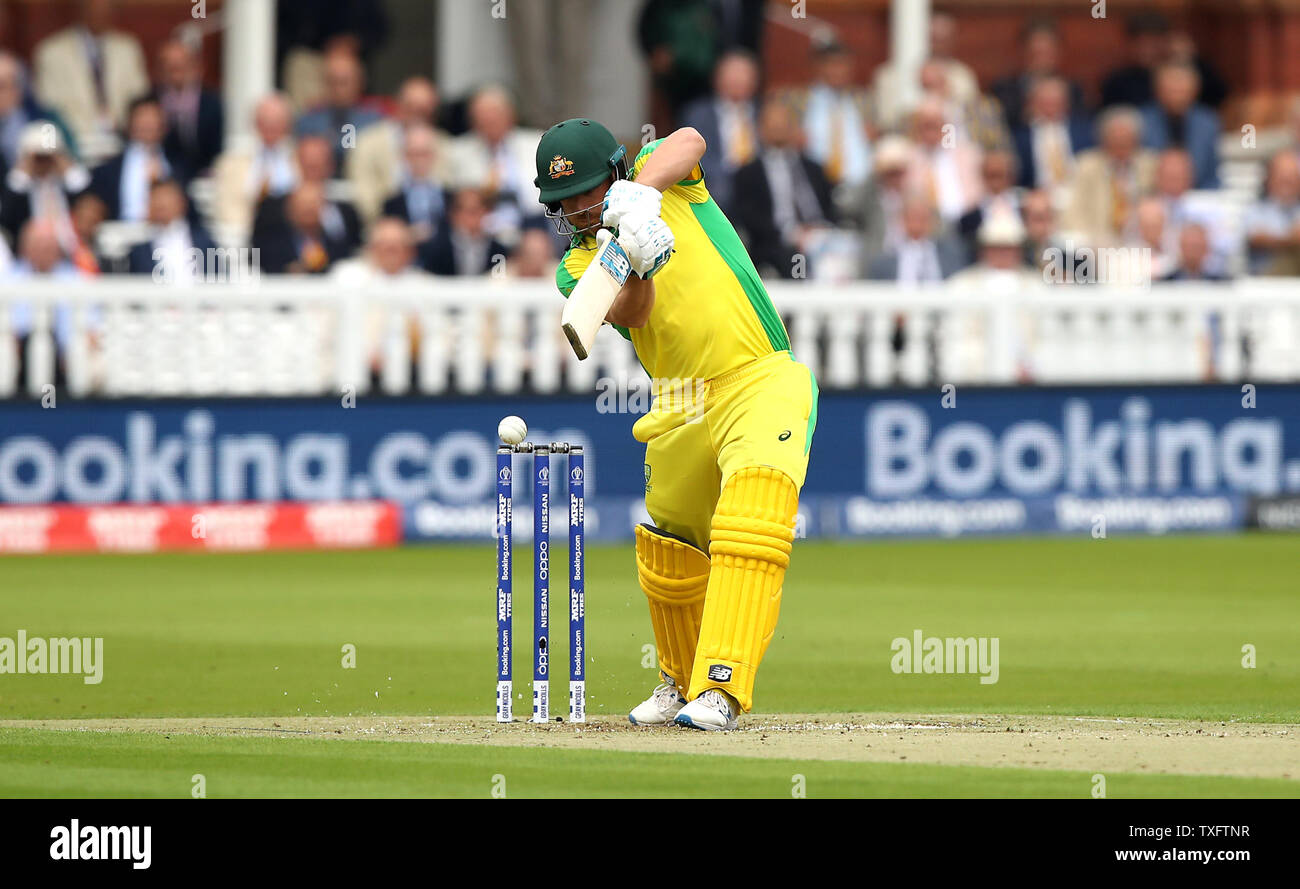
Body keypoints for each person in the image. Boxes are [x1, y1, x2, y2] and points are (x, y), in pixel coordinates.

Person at [538, 118, 816, 731]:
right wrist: (629, 254)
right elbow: (636, 309)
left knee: (751, 520)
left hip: (759, 376)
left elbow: (691, 139)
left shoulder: (672, 185)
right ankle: (681, 679)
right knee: (671, 552)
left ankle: (722, 686)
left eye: (589, 191)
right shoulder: (576, 266)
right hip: (679, 402)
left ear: (613, 172)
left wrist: (639, 197)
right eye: (567, 202)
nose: (580, 209)